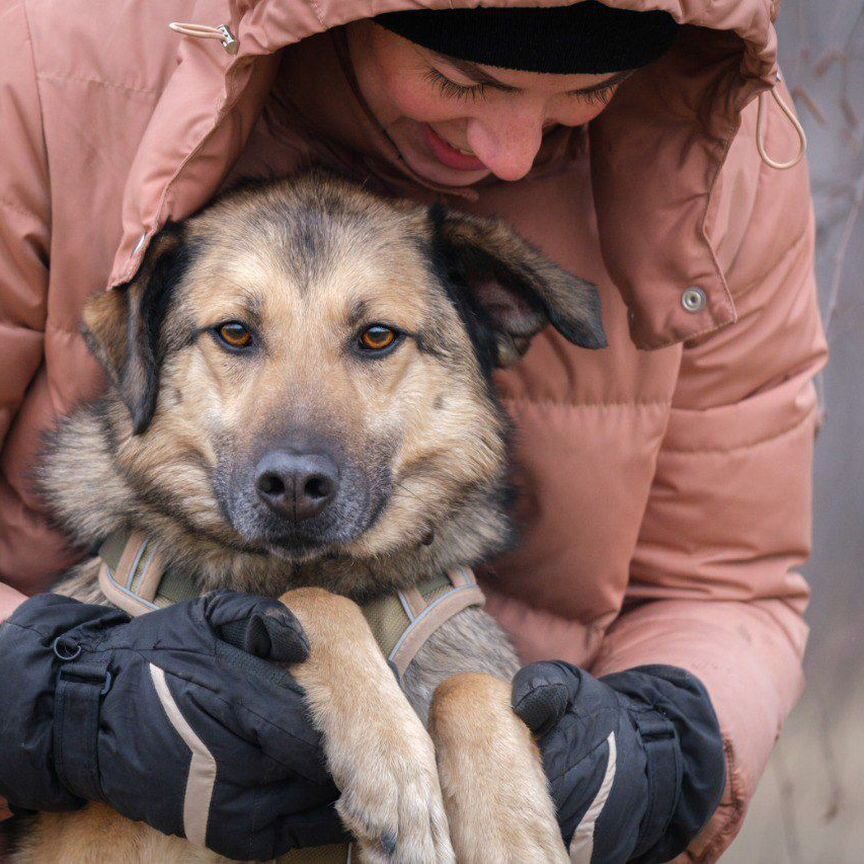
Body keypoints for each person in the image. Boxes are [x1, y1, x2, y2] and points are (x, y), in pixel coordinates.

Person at [0, 1, 826, 862]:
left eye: (590, 90)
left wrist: (667, 752)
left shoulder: (729, 147)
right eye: (462, 79)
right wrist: (58, 704)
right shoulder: (46, 60)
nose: (511, 152)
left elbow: (727, 575)